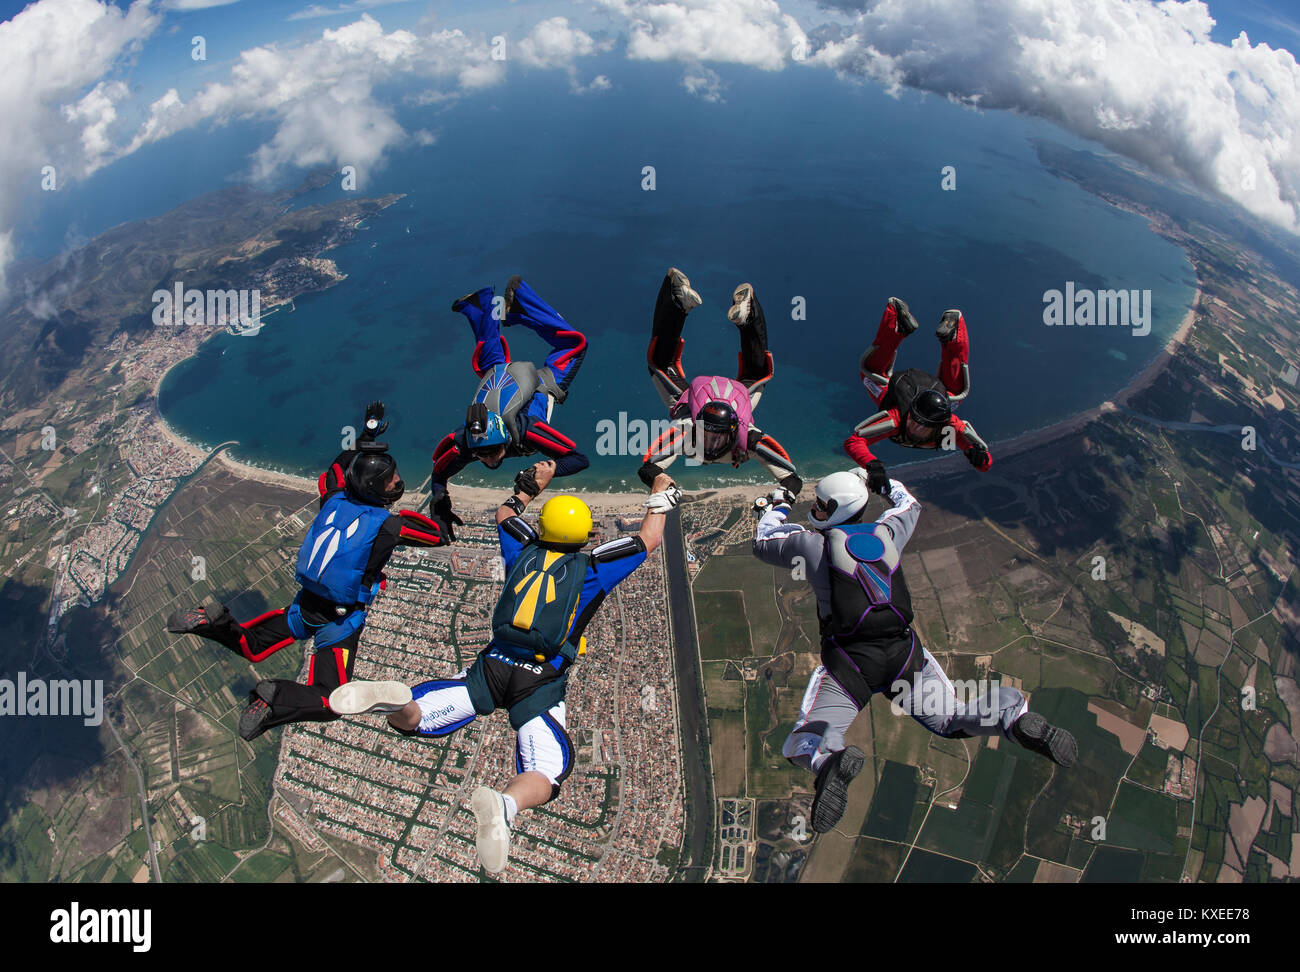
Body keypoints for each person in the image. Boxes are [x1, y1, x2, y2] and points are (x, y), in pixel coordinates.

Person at [331, 461, 681, 874]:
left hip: (493, 664)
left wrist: (530, 488)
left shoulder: (522, 547)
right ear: (585, 536)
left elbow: (505, 514)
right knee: (548, 772)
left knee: (417, 720)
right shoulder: (592, 569)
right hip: (539, 680)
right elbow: (648, 538)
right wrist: (660, 490)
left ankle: (397, 703)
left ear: (545, 527)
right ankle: (506, 804)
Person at [751, 469, 1077, 833]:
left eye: (822, 506)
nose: (816, 510)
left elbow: (763, 541)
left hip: (850, 665)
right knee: (952, 720)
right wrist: (880, 481)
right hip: (904, 656)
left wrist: (779, 503)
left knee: (800, 742)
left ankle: (827, 759)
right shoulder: (888, 533)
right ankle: (1011, 717)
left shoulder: (812, 545)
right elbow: (909, 504)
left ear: (837, 509)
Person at [166, 402, 449, 741]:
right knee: (333, 702)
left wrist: (366, 437)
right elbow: (439, 535)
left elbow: (335, 470)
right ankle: (275, 699)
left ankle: (213, 623)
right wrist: (441, 498)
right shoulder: (389, 525)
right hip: (338, 621)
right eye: (392, 481)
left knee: (252, 646)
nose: (398, 481)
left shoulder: (332, 499)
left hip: (305, 607)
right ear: (377, 489)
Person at [430, 276, 589, 534]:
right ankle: (482, 304)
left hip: (540, 385)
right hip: (499, 378)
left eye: (492, 451)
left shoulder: (527, 429)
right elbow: (439, 473)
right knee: (492, 358)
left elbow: (579, 459)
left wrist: (536, 473)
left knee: (575, 345)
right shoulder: (469, 443)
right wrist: (440, 502)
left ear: (505, 437)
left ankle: (521, 304)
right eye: (483, 455)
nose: (489, 460)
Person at [639, 267, 801, 493]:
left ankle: (678, 302)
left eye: (715, 437)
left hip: (701, 403)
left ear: (733, 431)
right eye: (707, 435)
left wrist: (662, 485)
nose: (710, 442)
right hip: (723, 400)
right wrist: (784, 497)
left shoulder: (689, 431)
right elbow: (791, 477)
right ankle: (746, 316)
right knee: (756, 374)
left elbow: (649, 467)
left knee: (660, 363)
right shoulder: (746, 438)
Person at [845, 297, 993, 493]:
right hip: (909, 396)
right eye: (915, 421)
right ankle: (952, 336)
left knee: (870, 373)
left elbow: (984, 463)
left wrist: (979, 456)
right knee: (955, 393)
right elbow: (854, 441)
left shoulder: (948, 426)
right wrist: (873, 465)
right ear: (912, 413)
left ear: (936, 425)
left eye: (923, 426)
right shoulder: (898, 418)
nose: (916, 428)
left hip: (933, 398)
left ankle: (897, 324)